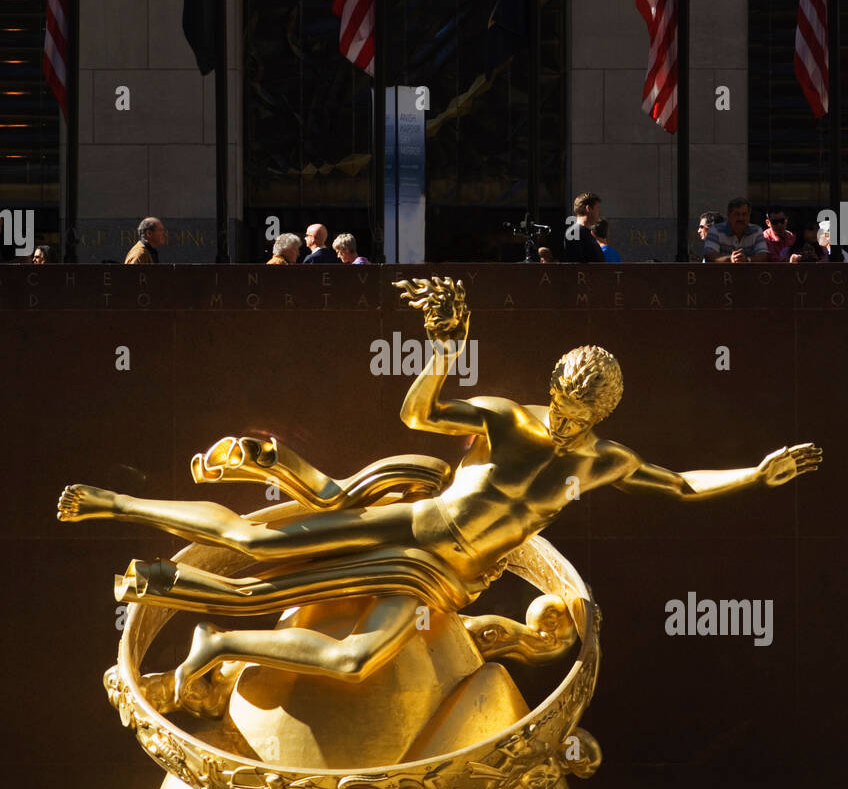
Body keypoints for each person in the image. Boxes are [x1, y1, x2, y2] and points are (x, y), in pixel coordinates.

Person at [58, 276, 820, 692]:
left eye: (580, 410)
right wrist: (445, 349)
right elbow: (416, 412)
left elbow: (682, 486)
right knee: (249, 538)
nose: (563, 416)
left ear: (602, 413)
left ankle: (217, 641)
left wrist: (755, 474)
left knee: (355, 661)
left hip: (444, 585)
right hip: (410, 529)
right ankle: (110, 502)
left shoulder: (604, 461)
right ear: (552, 385)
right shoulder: (504, 417)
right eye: (560, 397)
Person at [702, 199, 768, 264]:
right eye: (737, 214)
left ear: (749, 216)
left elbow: (764, 256)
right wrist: (730, 259)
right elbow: (709, 256)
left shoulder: (756, 230)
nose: (740, 218)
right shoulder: (715, 230)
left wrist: (747, 259)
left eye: (744, 214)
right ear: (729, 215)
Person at [563, 192, 605, 264]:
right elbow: (576, 266)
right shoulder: (574, 233)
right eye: (597, 209)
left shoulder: (585, 232)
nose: (599, 213)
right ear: (588, 209)